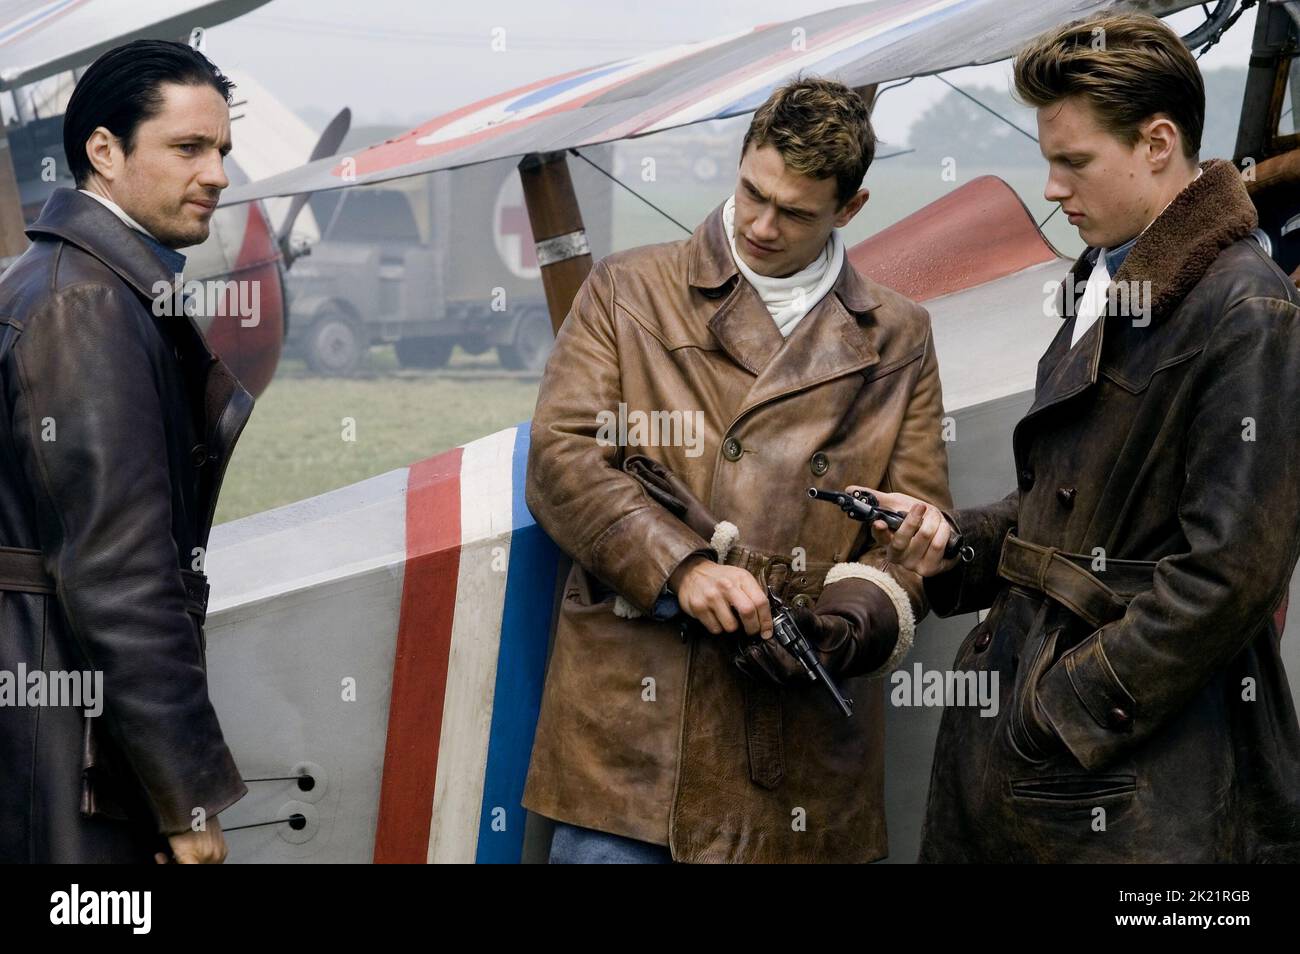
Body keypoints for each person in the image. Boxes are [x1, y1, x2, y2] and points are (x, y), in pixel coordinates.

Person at [855, 13, 1300, 862]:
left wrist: (1067, 707)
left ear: (1158, 142)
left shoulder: (1247, 309)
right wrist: (956, 543)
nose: (1052, 188)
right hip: (1043, 767)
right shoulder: (1111, 279)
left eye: (1075, 161)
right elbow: (1070, 502)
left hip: (1139, 783)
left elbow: (1233, 571)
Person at [522, 77, 953, 863]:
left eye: (794, 212)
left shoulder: (899, 336)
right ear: (741, 160)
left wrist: (844, 628)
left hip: (799, 753)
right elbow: (561, 458)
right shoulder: (627, 290)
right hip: (635, 755)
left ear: (849, 210)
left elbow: (911, 532)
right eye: (753, 191)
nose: (760, 224)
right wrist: (679, 566)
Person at [0, 39, 252, 863]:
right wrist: (188, 802)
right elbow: (117, 573)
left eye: (220, 149)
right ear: (103, 152)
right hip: (61, 751)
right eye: (188, 148)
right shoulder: (89, 309)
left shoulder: (50, 279)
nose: (216, 173)